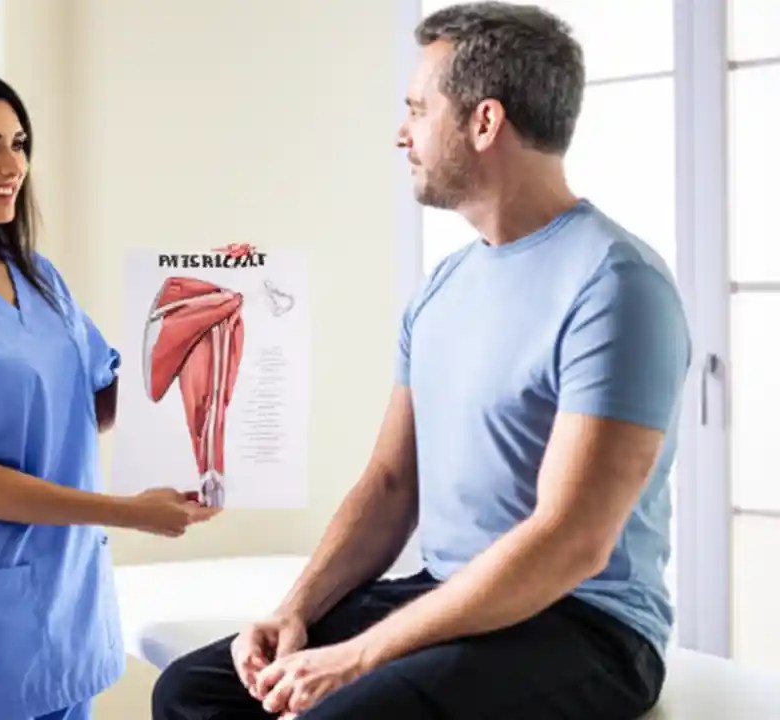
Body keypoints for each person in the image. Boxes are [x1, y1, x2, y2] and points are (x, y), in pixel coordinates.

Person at [152, 3, 690, 719]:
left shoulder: (616, 285)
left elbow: (571, 542)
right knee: (193, 693)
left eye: (417, 109)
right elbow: (391, 481)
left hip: (583, 624)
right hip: (448, 591)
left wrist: (360, 654)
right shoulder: (444, 284)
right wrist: (298, 614)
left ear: (485, 121)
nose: (401, 133)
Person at [0, 65, 219, 720]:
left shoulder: (38, 277)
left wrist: (211, 321)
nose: (12, 164)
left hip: (69, 606)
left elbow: (99, 401)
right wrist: (133, 512)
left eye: (19, 143)